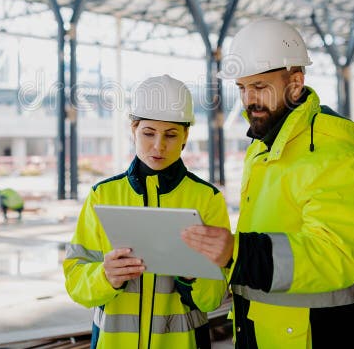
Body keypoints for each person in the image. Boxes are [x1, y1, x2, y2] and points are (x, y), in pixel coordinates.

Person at [181, 18, 354, 348]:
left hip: (316, 335)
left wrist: (236, 251)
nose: (248, 100)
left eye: (259, 87)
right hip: (256, 327)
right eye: (242, 89)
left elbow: (335, 255)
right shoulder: (261, 148)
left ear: (295, 84)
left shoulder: (334, 153)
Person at [64, 74, 230, 349]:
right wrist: (105, 277)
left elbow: (213, 299)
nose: (158, 146)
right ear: (133, 129)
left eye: (171, 134)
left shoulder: (207, 199)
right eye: (149, 133)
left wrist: (192, 276)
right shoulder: (103, 195)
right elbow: (75, 282)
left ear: (186, 135)